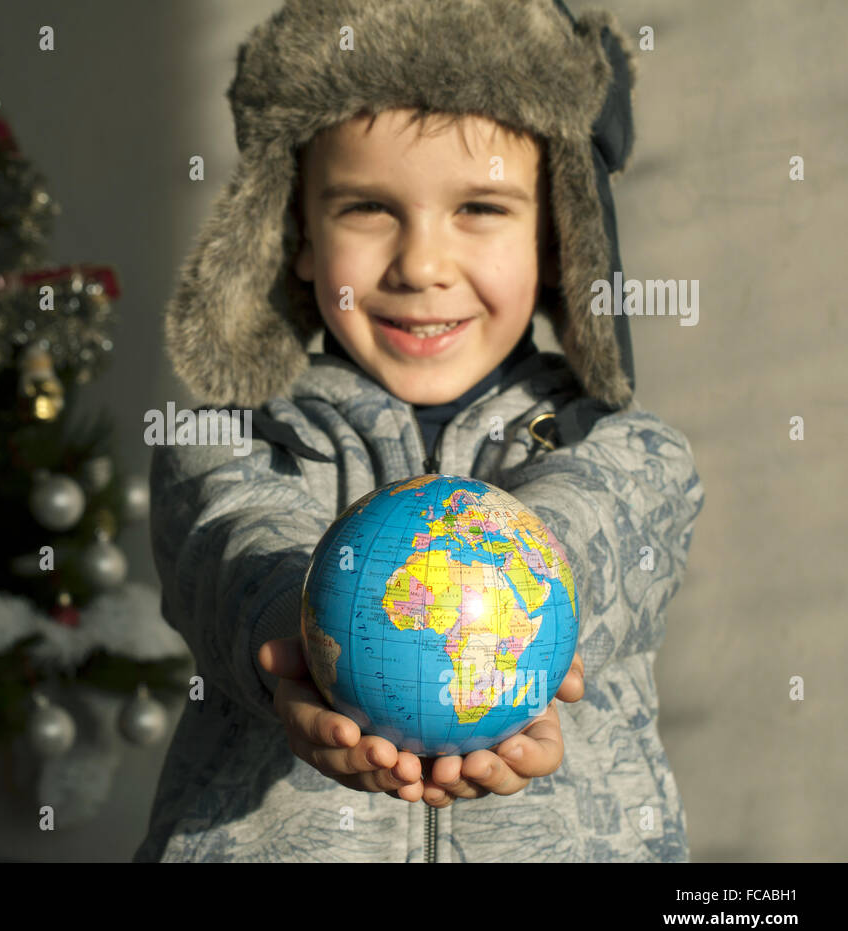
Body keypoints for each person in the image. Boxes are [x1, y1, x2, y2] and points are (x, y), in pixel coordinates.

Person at [135, 0, 705, 862]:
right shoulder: (224, 442)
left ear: (559, 238)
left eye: (480, 208)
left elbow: (606, 527)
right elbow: (232, 542)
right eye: (368, 208)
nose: (421, 266)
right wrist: (295, 633)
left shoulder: (627, 451)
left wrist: (518, 590)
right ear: (295, 233)